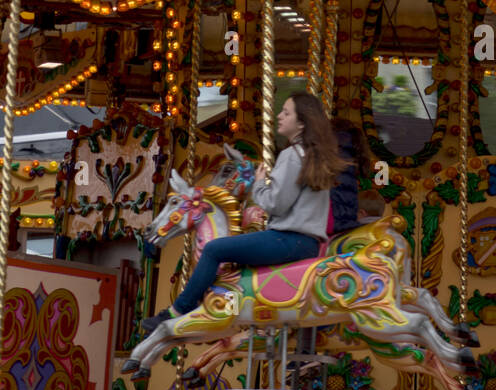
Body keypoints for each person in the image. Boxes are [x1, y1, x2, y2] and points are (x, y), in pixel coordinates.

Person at [141, 92, 345, 334]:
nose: (279, 116)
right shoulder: (314, 156)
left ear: (301, 123)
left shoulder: (292, 156)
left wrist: (258, 184)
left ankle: (178, 310)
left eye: (286, 112)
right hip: (306, 242)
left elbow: (275, 204)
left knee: (215, 249)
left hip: (287, 239)